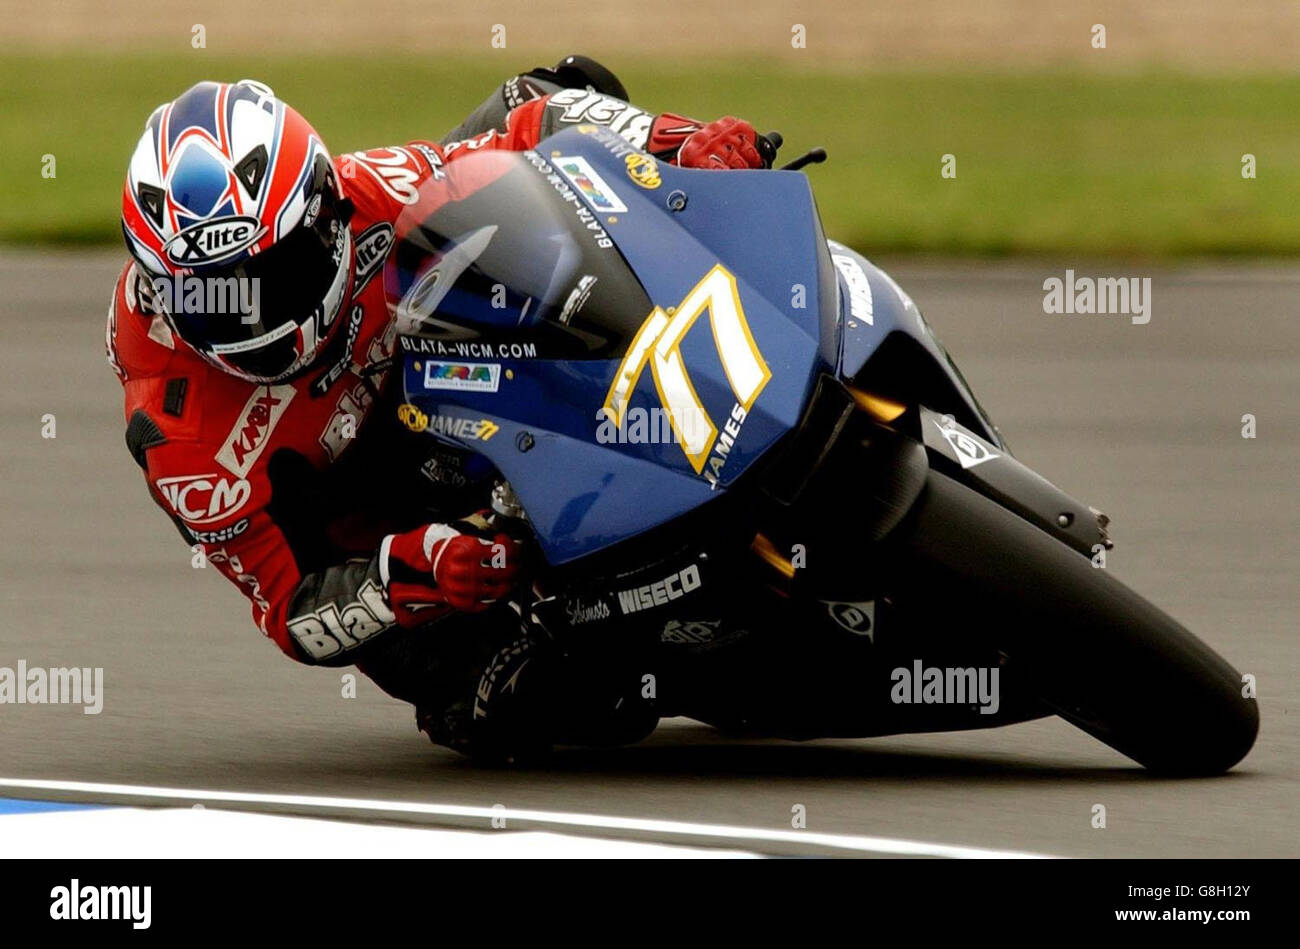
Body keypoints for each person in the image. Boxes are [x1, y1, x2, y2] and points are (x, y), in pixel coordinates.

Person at [107, 57, 767, 757]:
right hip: (369, 521)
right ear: (161, 286)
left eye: (275, 276)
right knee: (526, 707)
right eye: (211, 298)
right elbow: (289, 611)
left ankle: (668, 385)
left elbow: (528, 127)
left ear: (326, 217)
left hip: (433, 386)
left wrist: (676, 144)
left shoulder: (368, 195)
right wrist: (404, 574)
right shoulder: (178, 435)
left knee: (562, 88)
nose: (252, 321)